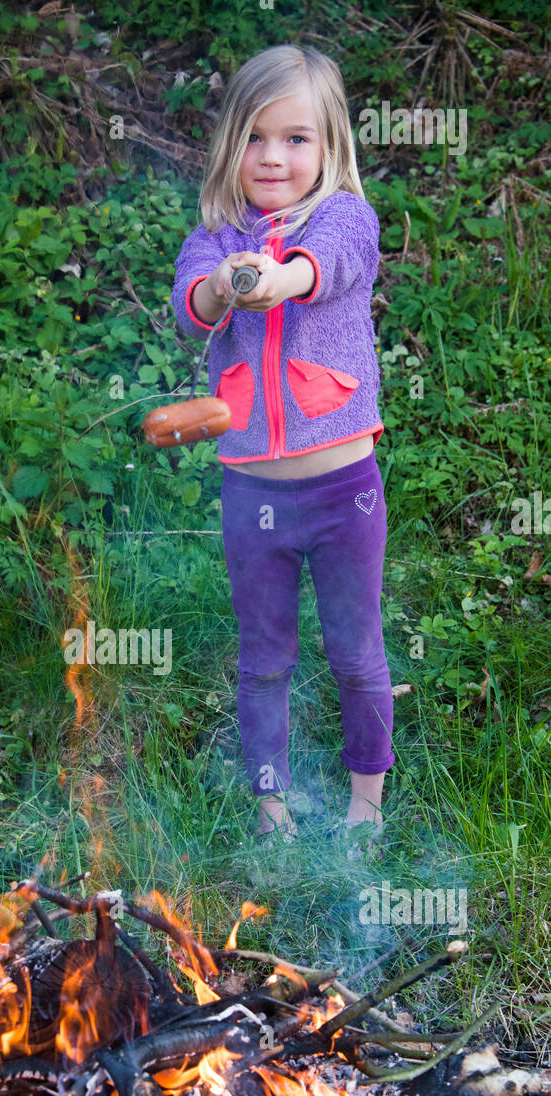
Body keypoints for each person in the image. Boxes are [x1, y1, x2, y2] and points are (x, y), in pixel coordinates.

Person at [170, 44, 394, 852]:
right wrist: (228, 281)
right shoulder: (214, 237)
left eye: (296, 139)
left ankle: (365, 803)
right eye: (256, 137)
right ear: (232, 143)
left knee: (355, 651)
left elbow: (324, 269)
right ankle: (271, 806)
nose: (273, 156)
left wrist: (279, 278)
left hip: (343, 491)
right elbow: (191, 305)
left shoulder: (344, 219)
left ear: (329, 148)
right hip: (251, 493)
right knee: (263, 658)